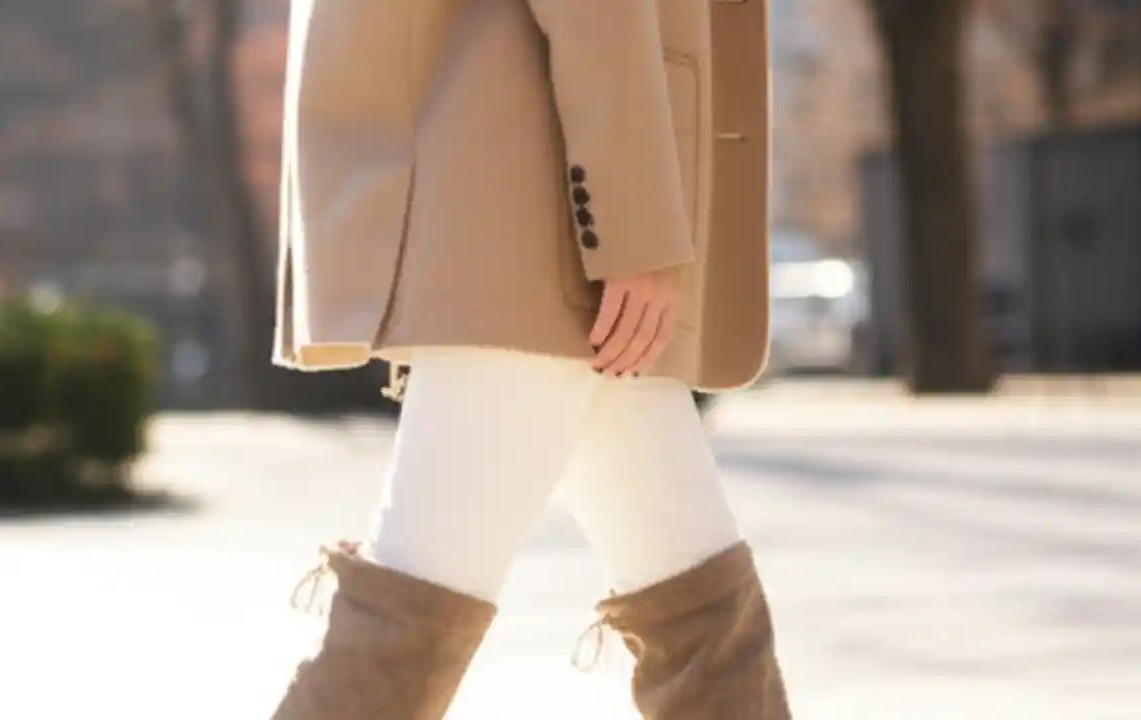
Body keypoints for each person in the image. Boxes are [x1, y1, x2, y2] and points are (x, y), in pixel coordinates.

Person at [269, 1, 789, 718]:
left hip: (515, 165)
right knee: (412, 609)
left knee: (700, 611)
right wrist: (631, 225)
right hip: (531, 181)